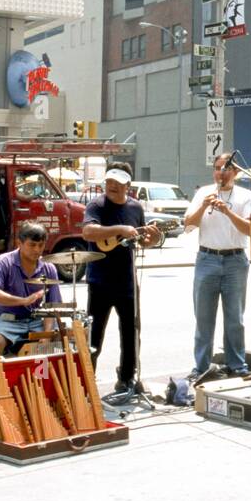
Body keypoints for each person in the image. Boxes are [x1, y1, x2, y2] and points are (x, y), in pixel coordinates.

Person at [80, 166, 161, 397]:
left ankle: (127, 377)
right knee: (94, 333)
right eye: (109, 182)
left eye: (118, 183)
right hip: (100, 280)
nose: (112, 187)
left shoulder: (135, 207)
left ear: (128, 185)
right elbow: (88, 232)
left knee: (131, 332)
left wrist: (151, 239)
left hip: (127, 280)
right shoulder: (96, 205)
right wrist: (120, 229)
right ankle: (87, 381)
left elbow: (141, 240)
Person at [184, 153, 251, 378]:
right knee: (204, 317)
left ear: (235, 172)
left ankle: (236, 364)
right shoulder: (203, 193)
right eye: (217, 168)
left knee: (235, 317)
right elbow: (188, 224)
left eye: (225, 169)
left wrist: (227, 211)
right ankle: (201, 367)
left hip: (235, 260)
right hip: (207, 259)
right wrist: (203, 206)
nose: (220, 173)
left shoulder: (246, 196)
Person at [0, 222, 62, 356]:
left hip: (36, 321)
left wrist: (47, 334)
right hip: (6, 321)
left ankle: (42, 376)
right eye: (32, 245)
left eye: (41, 245)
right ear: (19, 243)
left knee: (63, 341)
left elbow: (53, 306)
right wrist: (23, 301)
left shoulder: (49, 268)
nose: (37, 250)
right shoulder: (3, 262)